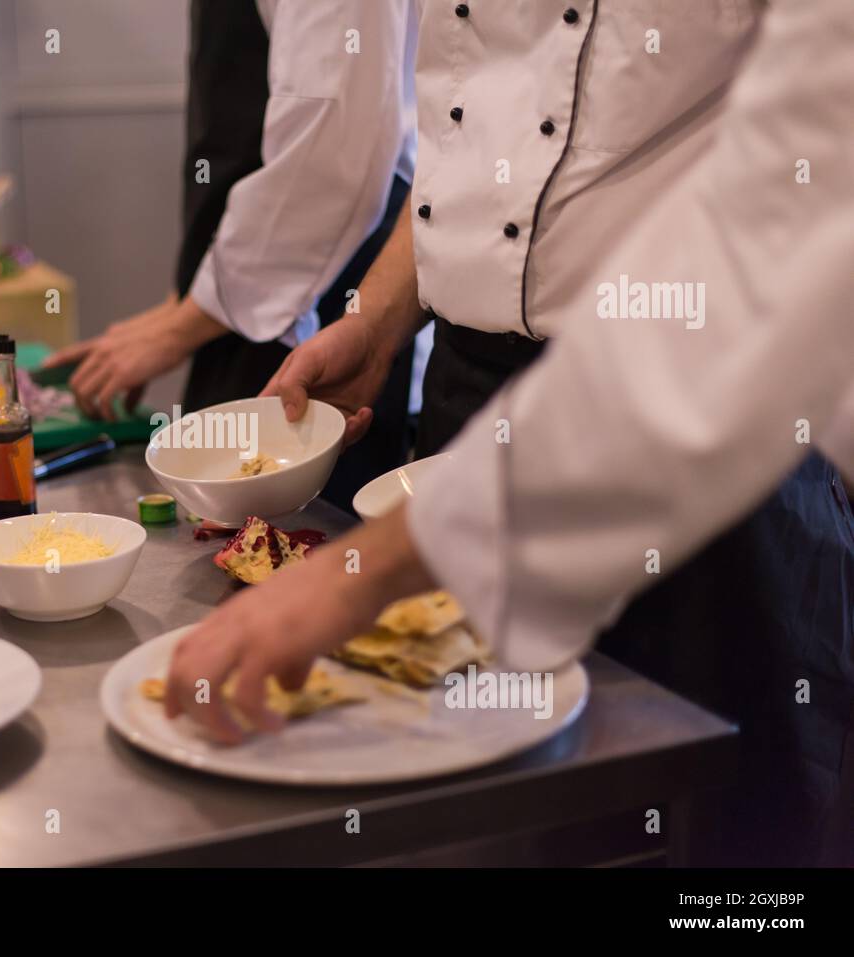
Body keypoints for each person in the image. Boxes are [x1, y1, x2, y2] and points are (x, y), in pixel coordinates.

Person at [166, 0, 854, 865]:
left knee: (733, 873)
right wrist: (378, 320)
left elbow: (770, 237)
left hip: (719, 445)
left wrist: (363, 570)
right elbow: (482, 152)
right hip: (469, 410)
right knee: (500, 833)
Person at [44, 0, 426, 508]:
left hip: (319, 297)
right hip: (247, 296)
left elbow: (329, 157)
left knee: (291, 556)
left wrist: (184, 323)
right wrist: (181, 302)